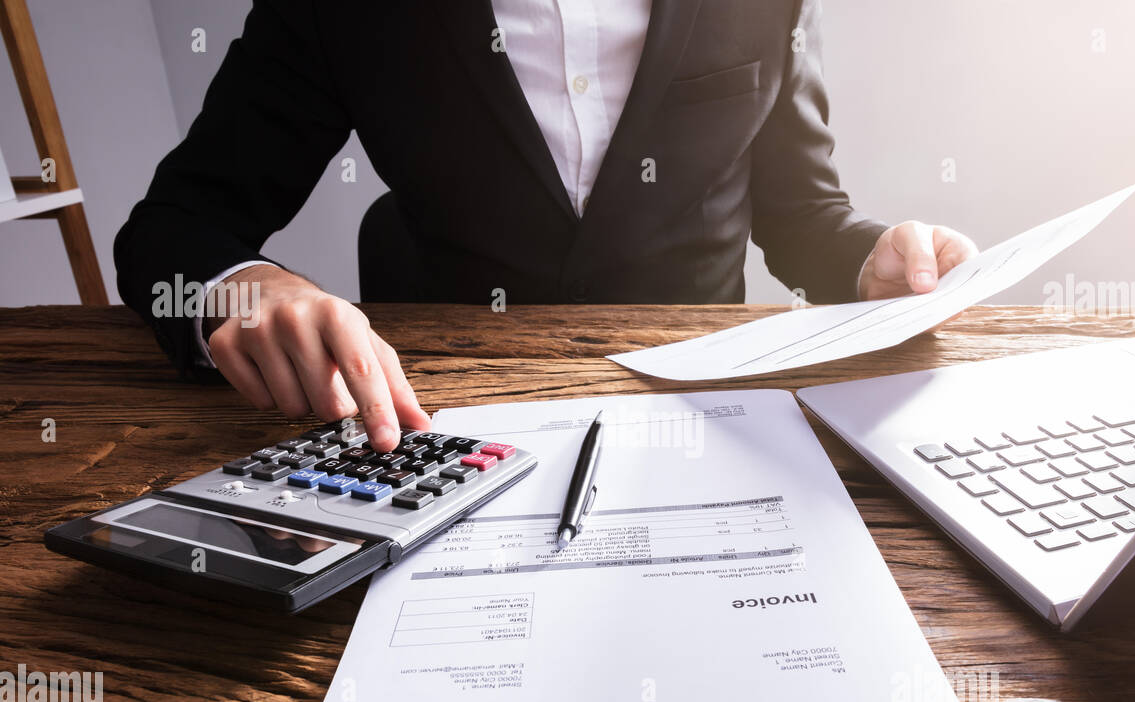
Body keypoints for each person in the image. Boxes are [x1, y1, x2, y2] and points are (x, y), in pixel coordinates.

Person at [115, 0, 976, 452]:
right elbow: (175, 226)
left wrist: (869, 261)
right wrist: (240, 285)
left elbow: (800, 213)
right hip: (439, 425)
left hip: (706, 413)